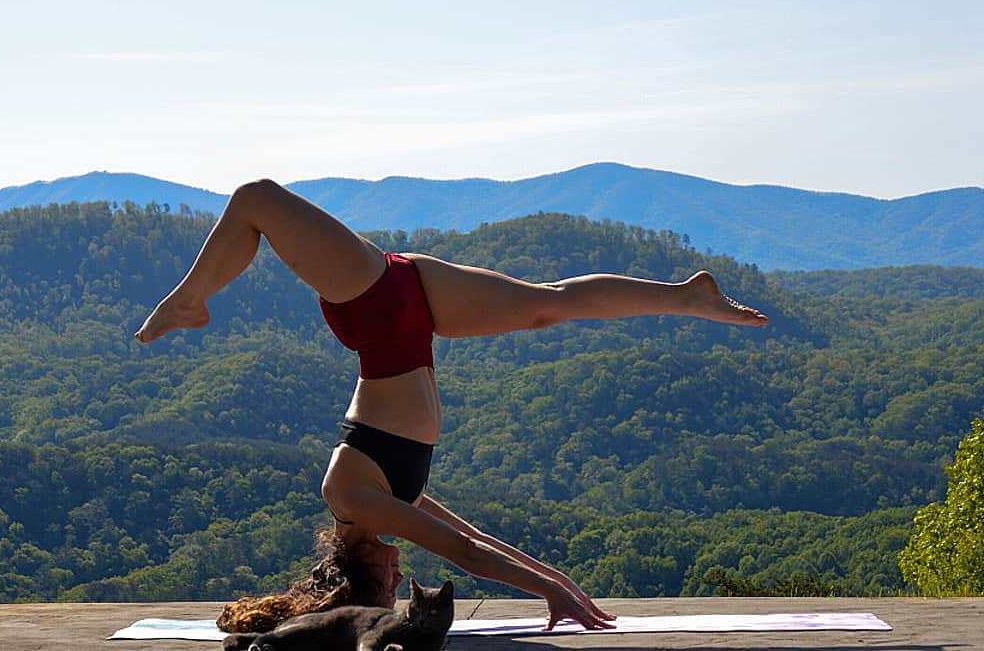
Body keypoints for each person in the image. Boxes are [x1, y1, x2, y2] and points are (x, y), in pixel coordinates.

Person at [136, 179, 768, 632]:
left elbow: (462, 557)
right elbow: (472, 539)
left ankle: (188, 300)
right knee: (550, 304)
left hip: (374, 307)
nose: (398, 580)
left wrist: (549, 592)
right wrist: (562, 586)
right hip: (410, 309)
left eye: (385, 587)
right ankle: (689, 297)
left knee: (256, 200)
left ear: (358, 575)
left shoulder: (352, 500)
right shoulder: (384, 504)